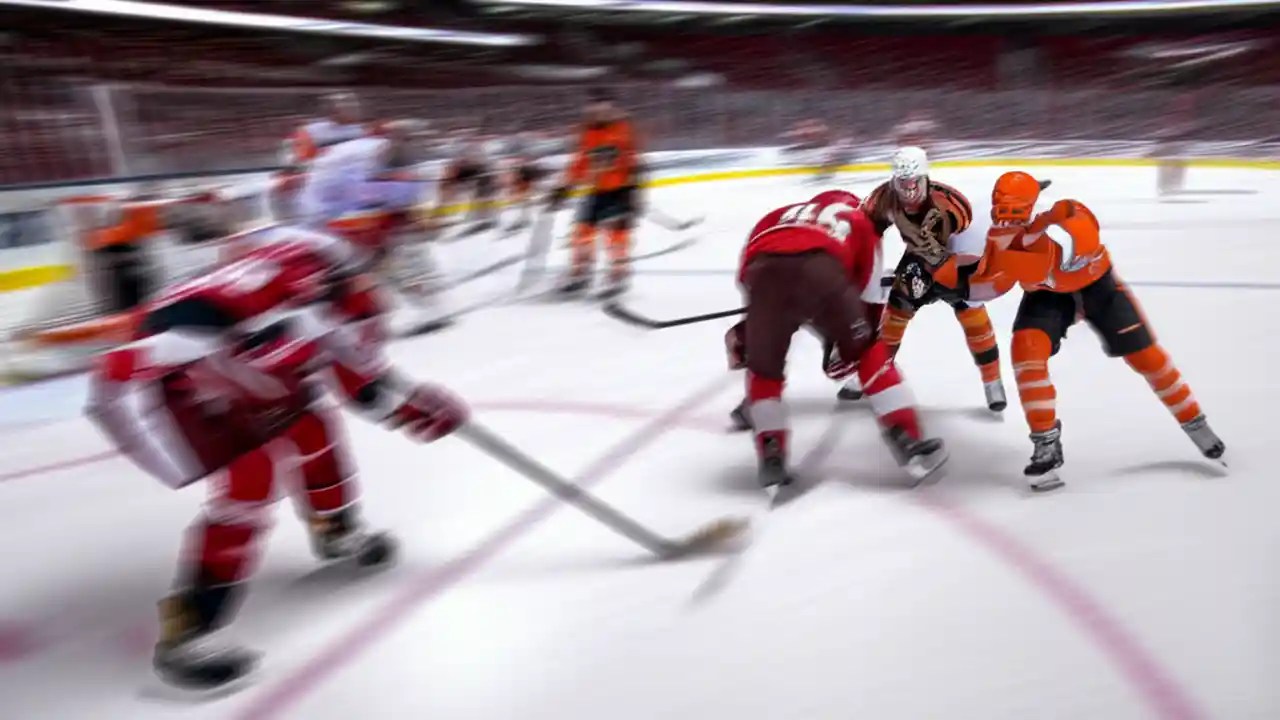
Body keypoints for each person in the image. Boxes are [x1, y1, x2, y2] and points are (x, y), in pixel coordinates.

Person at [85, 223, 468, 689]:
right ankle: (190, 631)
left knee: (309, 424)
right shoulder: (326, 292)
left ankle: (336, 530)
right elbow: (363, 383)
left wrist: (409, 403)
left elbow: (342, 367)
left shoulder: (286, 263)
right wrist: (415, 409)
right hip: (165, 375)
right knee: (252, 475)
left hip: (196, 356)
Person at [937, 170, 1225, 490]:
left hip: (1097, 289)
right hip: (1048, 295)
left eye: (1012, 211)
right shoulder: (1003, 237)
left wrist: (1024, 245)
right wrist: (950, 286)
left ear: (1031, 205)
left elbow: (1062, 247)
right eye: (999, 211)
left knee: (1146, 357)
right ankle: (1045, 443)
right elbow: (990, 283)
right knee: (1026, 352)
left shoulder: (1065, 222)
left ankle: (1194, 421)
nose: (1004, 221)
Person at [727, 189, 948, 488]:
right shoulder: (859, 221)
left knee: (764, 369)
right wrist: (851, 342)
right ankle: (906, 437)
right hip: (824, 274)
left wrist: (752, 327)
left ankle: (771, 452)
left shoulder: (778, 212)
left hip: (763, 276)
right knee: (870, 350)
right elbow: (869, 300)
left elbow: (747, 274)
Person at [862, 146, 1008, 412]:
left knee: (973, 314)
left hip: (955, 257)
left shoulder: (948, 204)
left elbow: (945, 247)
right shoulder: (884, 197)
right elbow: (865, 229)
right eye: (901, 183)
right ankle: (875, 374)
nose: (907, 191)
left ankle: (992, 379)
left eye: (913, 182)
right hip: (920, 258)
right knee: (895, 314)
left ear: (924, 178)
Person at [549, 88, 643, 297]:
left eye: (605, 109)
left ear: (613, 109)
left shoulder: (623, 129)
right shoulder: (588, 132)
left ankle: (618, 274)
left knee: (617, 235)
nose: (599, 113)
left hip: (620, 189)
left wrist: (635, 191)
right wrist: (564, 186)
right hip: (595, 190)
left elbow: (634, 161)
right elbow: (581, 162)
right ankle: (580, 272)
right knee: (582, 232)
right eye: (594, 109)